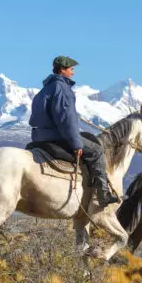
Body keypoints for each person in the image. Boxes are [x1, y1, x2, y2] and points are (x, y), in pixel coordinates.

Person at [29, 56, 120, 208]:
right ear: (62, 70)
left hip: (39, 136)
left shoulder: (46, 89)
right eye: (71, 69)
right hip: (56, 136)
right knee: (97, 150)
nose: (73, 73)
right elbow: (66, 120)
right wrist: (76, 144)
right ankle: (103, 194)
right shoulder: (62, 88)